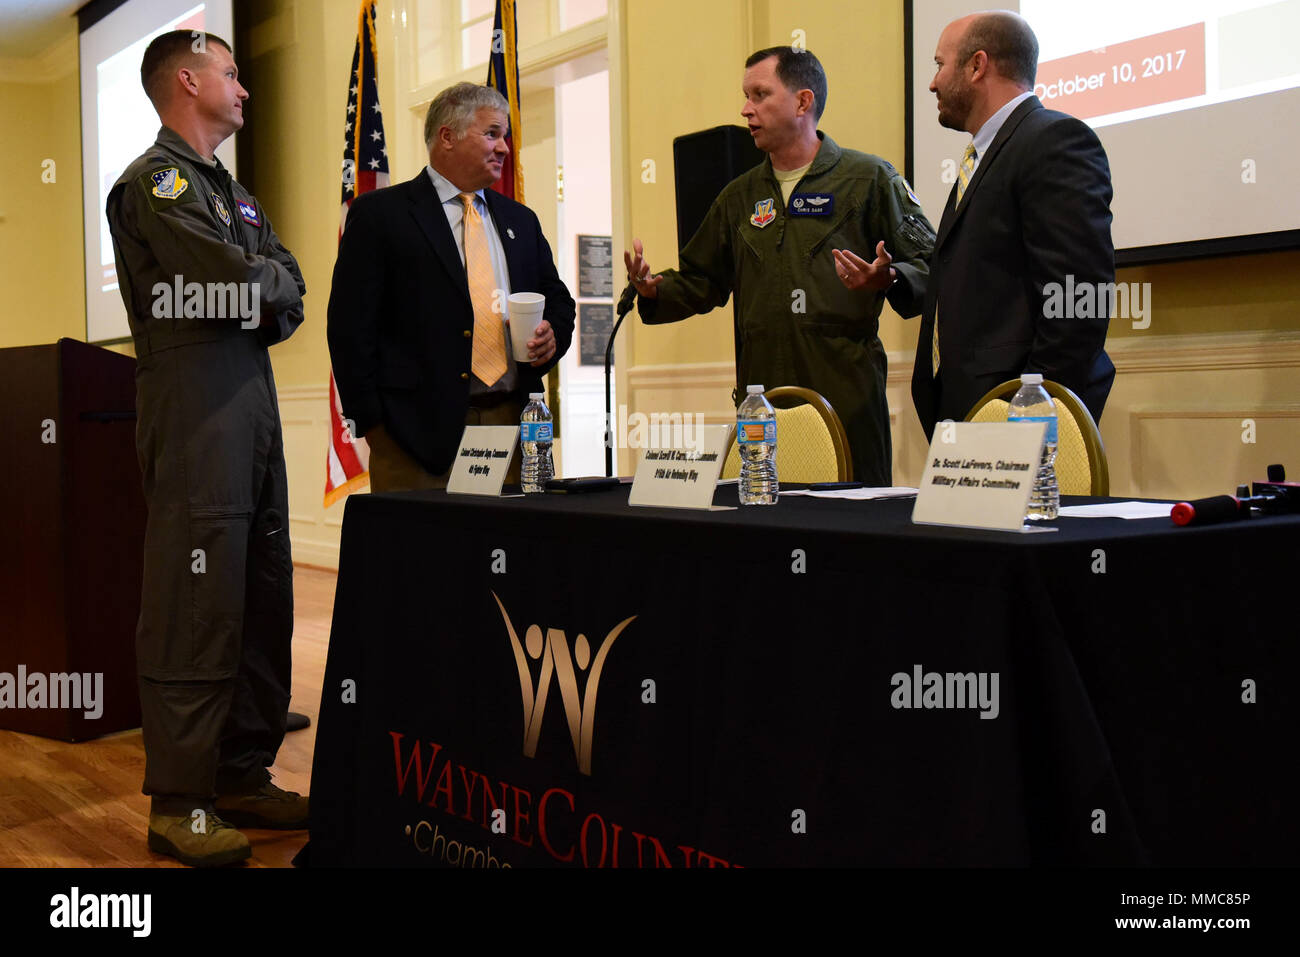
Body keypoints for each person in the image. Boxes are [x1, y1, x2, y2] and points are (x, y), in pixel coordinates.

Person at [105, 31, 308, 867]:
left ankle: (239, 769)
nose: (245, 89)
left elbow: (288, 285)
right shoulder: (153, 184)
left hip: (251, 406)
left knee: (262, 588)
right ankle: (180, 799)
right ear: (187, 80)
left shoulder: (232, 191)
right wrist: (259, 283)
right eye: (232, 73)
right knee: (197, 600)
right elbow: (231, 281)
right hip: (195, 412)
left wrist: (261, 283)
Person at [623, 47, 933, 486]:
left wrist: (890, 276)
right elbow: (702, 280)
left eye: (760, 95)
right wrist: (654, 290)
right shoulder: (738, 196)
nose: (746, 109)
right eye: (746, 96)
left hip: (845, 396)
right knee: (764, 523)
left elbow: (931, 262)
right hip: (761, 397)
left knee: (851, 532)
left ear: (803, 102)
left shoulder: (869, 179)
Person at [328, 83, 575, 491]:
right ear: (448, 136)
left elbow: (558, 300)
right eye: (492, 134)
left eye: (505, 137)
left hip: (512, 430)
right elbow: (349, 326)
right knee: (425, 554)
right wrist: (373, 422)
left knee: (508, 549)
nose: (504, 149)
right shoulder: (381, 216)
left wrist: (553, 333)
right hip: (413, 435)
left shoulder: (521, 220)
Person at [912, 11, 1116, 437]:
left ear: (977, 65)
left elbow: (1081, 298)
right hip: (968, 413)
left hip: (1015, 419)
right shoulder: (985, 154)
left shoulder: (1053, 140)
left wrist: (1030, 414)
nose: (933, 82)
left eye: (939, 65)